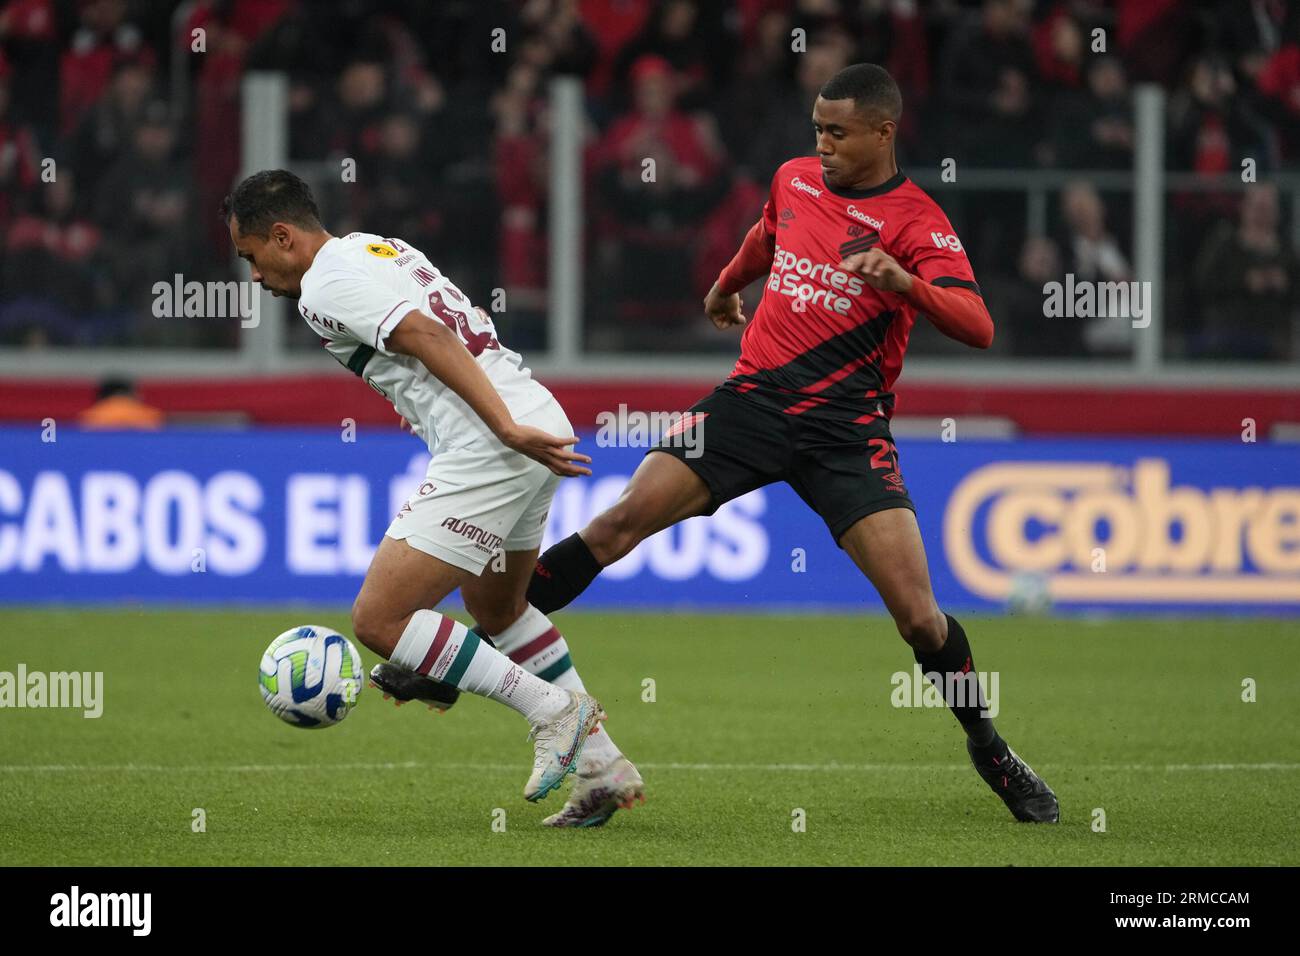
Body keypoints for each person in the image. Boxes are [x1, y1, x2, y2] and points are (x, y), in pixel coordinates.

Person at [528, 63, 1059, 823]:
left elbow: (979, 326)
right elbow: (767, 233)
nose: (824, 144)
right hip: (752, 404)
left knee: (919, 618)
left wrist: (906, 284)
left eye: (838, 133)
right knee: (617, 523)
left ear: (883, 132)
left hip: (848, 433)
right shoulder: (795, 178)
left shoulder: (917, 223)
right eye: (817, 129)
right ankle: (472, 653)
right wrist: (725, 284)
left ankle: (990, 749)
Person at [222, 170, 643, 826]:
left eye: (251, 256)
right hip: (537, 414)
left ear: (282, 237)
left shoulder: (325, 286)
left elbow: (428, 335)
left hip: (495, 437)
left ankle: (552, 711)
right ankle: (603, 766)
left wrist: (501, 427)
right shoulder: (377, 246)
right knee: (498, 607)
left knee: (379, 620)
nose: (254, 276)